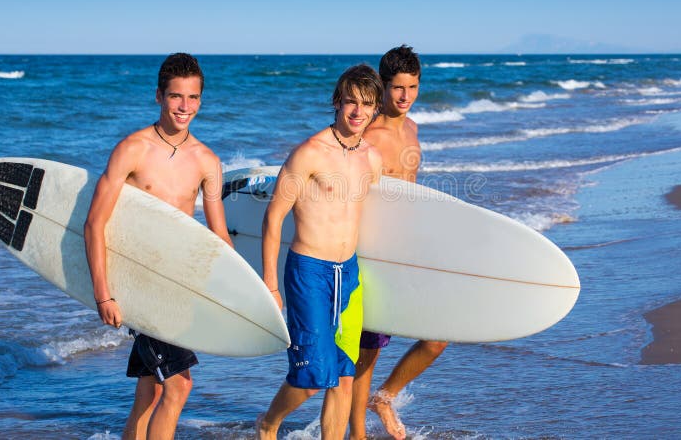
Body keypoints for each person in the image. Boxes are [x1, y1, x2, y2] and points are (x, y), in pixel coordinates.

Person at [84, 53, 233, 440]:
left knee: (150, 390)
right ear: (159, 96)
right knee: (180, 385)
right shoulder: (132, 149)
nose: (185, 107)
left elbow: (219, 235)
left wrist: (242, 292)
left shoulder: (207, 161)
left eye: (193, 97)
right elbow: (95, 223)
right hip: (138, 282)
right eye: (175, 96)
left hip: (178, 283)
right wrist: (104, 293)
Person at [256, 64, 384, 440]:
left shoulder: (371, 159)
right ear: (336, 102)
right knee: (312, 376)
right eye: (350, 102)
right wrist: (269, 281)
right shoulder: (309, 153)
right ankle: (268, 423)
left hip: (350, 272)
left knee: (345, 374)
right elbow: (273, 217)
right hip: (309, 271)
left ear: (375, 109)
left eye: (366, 104)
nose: (357, 112)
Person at [349, 45, 448, 440]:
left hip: (407, 248)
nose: (405, 96)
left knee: (437, 336)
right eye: (396, 88)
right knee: (366, 353)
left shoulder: (413, 129)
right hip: (373, 252)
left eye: (412, 87)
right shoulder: (366, 133)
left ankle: (384, 398)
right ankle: (356, 432)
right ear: (382, 86)